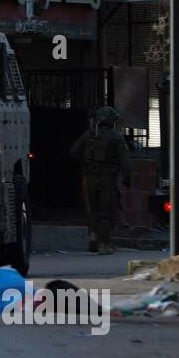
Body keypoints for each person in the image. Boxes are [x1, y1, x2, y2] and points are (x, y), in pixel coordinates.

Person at [68, 106, 131, 255]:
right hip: (107, 179)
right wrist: (127, 177)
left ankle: (93, 240)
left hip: (90, 178)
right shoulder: (116, 137)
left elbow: (74, 151)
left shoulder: (88, 135)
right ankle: (103, 244)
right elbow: (125, 161)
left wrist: (87, 163)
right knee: (105, 211)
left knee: (93, 209)